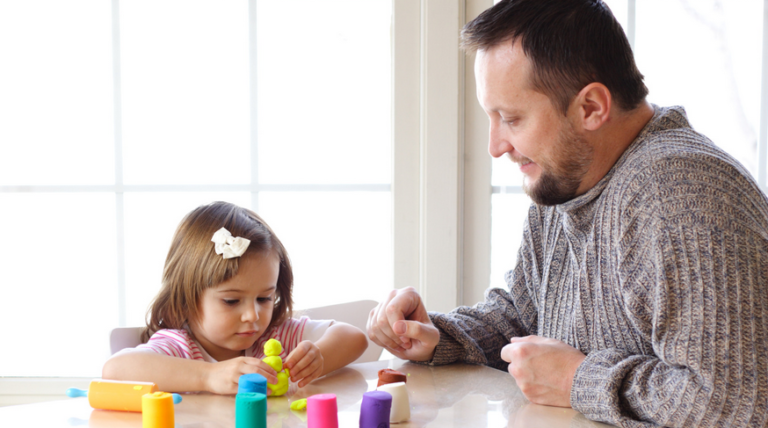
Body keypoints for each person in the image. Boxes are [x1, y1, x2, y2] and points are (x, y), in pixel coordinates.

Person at [367, 0, 768, 427]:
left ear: (591, 107)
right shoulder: (570, 178)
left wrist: (579, 380)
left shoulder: (679, 193)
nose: (495, 145)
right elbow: (522, 316)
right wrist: (435, 337)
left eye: (511, 118)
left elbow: (741, 400)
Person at [103, 201, 368, 394]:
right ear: (186, 298)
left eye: (264, 298)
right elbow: (115, 370)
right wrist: (208, 377)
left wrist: (318, 357)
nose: (253, 315)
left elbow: (354, 337)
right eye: (231, 301)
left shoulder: (276, 338)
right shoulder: (179, 348)